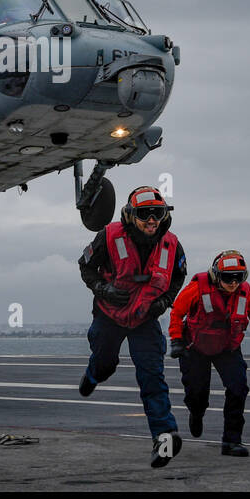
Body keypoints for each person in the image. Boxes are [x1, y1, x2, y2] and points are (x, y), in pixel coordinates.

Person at [77, 185, 187, 468]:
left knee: (152, 378)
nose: (152, 220)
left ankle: (164, 438)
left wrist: (165, 301)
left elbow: (178, 276)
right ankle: (92, 375)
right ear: (130, 215)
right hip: (109, 315)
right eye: (145, 214)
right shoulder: (109, 236)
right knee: (104, 363)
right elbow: (85, 266)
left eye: (157, 214)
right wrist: (103, 289)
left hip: (144, 319)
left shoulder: (172, 244)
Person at [168, 250, 250, 456]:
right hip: (195, 347)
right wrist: (177, 340)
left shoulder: (245, 292)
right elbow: (177, 313)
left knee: (238, 388)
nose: (233, 283)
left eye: (238, 278)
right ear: (216, 275)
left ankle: (232, 441)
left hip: (227, 347)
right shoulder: (196, 288)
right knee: (197, 393)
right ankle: (196, 412)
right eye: (227, 278)